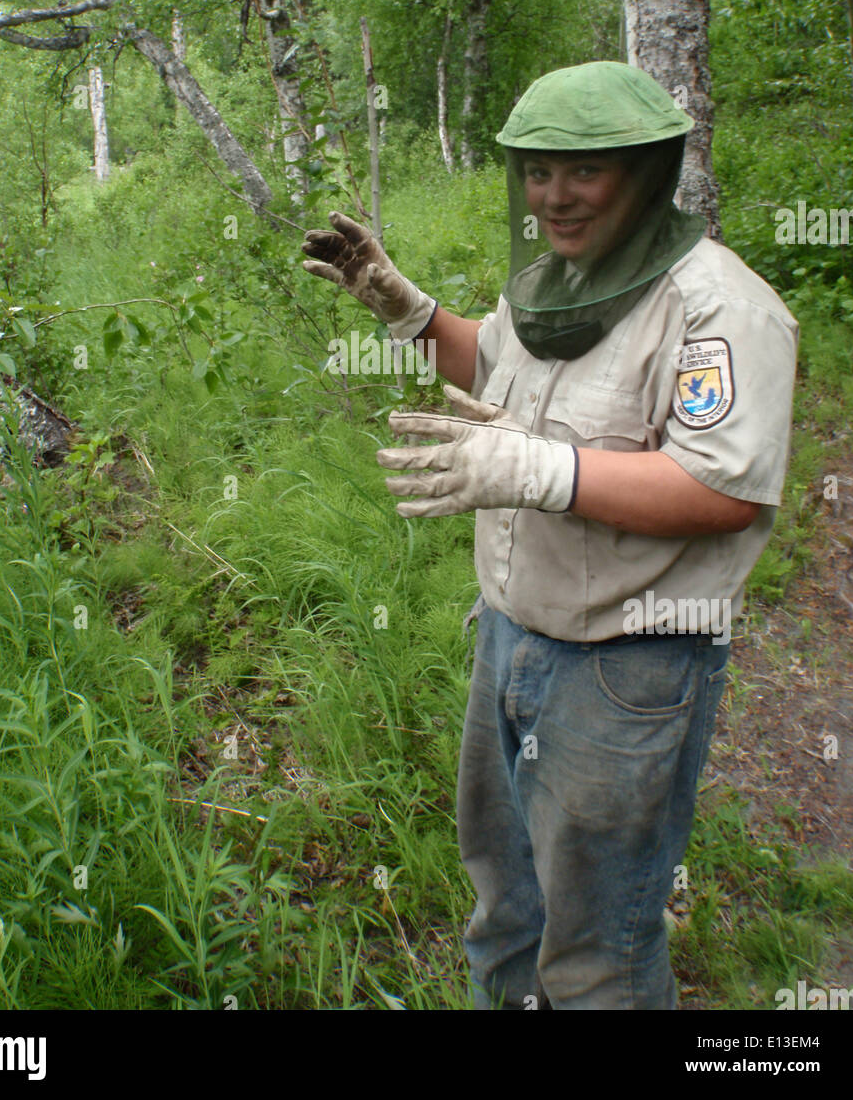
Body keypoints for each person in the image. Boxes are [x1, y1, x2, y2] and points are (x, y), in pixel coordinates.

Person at [301, 60, 798, 1011]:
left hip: (628, 667)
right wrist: (407, 311)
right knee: (506, 908)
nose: (553, 196)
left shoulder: (718, 309)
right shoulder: (561, 283)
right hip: (509, 640)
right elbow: (494, 362)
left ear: (648, 175)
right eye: (536, 172)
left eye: (583, 172)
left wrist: (543, 470)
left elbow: (722, 488)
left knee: (596, 948)